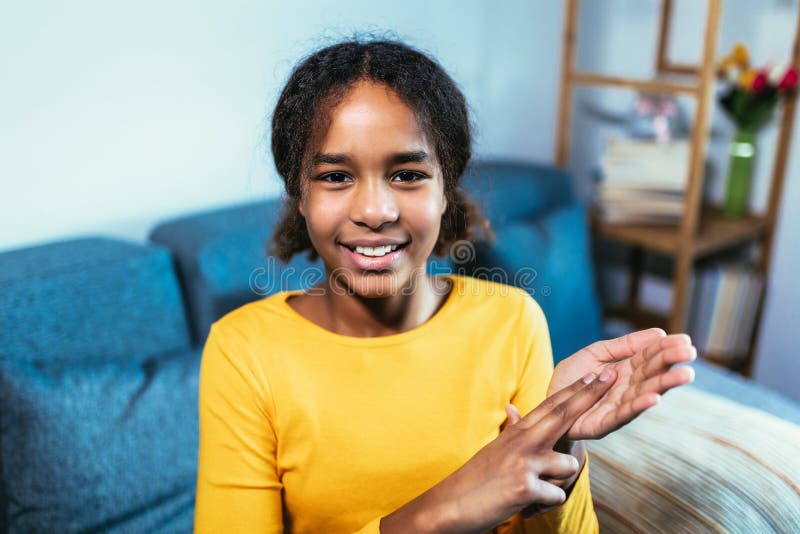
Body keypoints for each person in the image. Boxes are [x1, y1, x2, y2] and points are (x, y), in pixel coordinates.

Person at [194, 38, 697, 533]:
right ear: (299, 196)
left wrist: (557, 440)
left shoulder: (512, 321)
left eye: (408, 174)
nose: (375, 210)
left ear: (444, 192)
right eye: (336, 176)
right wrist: (443, 511)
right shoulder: (244, 352)